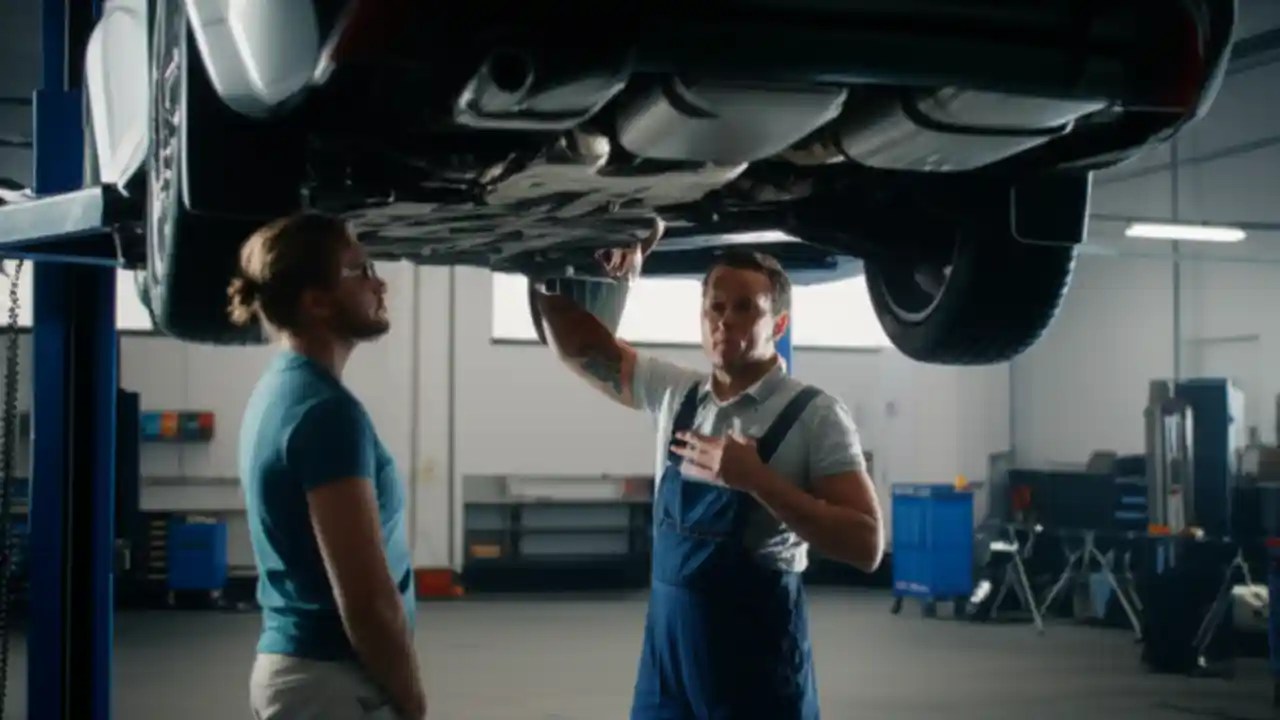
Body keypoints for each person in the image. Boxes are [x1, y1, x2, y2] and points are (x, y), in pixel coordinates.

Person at [533, 220, 885, 719]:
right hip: (668, 656)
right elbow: (580, 349)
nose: (725, 321)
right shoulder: (677, 393)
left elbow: (867, 545)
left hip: (754, 658)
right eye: (715, 307)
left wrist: (758, 480)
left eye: (746, 309)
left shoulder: (815, 414)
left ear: (778, 324)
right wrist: (543, 269)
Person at [227, 212, 427, 720]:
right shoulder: (326, 412)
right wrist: (411, 698)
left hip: (303, 675)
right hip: (331, 682)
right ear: (316, 301)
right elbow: (365, 598)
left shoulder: (280, 390)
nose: (379, 283)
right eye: (359, 271)